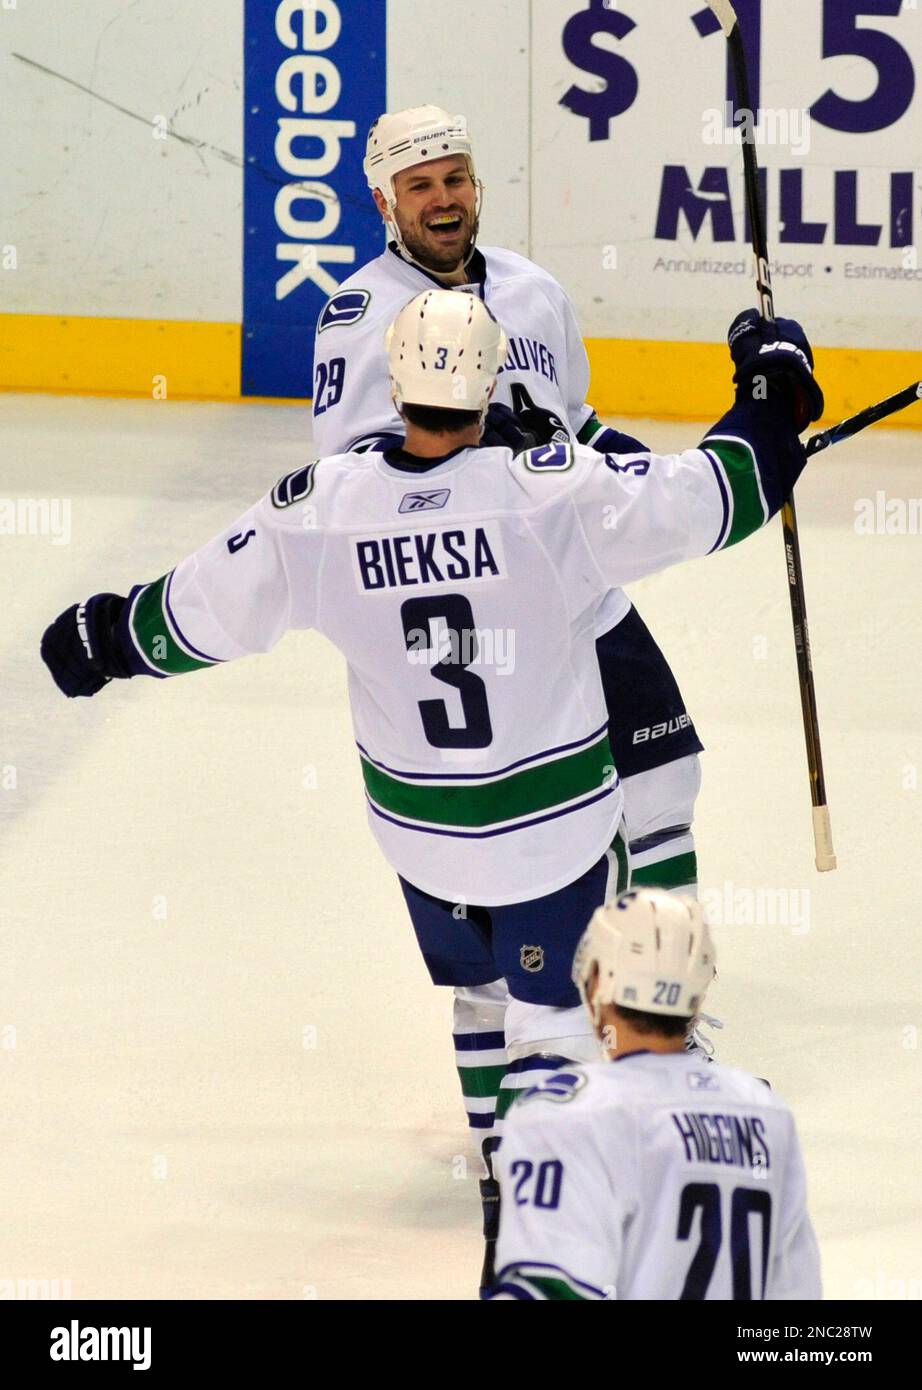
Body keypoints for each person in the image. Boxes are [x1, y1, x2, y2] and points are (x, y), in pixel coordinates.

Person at [40, 289, 822, 1291]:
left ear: (397, 382)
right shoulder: (553, 495)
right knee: (550, 1020)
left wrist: (100, 637)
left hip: (418, 838)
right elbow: (726, 491)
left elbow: (188, 619)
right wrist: (772, 385)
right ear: (491, 377)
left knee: (477, 989)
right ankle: (545, 1225)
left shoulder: (320, 509)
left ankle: (502, 1182)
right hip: (548, 835)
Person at [313, 104, 706, 1173]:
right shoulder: (358, 312)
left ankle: (660, 1027)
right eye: (420, 184)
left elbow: (574, 430)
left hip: (573, 578)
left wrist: (663, 484)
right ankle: (519, 1132)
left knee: (664, 777)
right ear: (384, 200)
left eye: (456, 178)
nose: (443, 198)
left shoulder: (534, 291)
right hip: (486, 610)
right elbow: (357, 477)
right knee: (506, 891)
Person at [489, 889, 822, 1300]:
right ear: (698, 997)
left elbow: (549, 1290)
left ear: (595, 986)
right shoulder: (764, 1113)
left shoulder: (563, 1114)